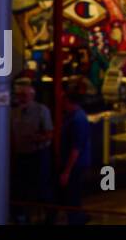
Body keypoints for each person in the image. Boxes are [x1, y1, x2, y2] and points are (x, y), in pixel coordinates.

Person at [10, 79, 52, 223]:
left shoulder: (41, 111)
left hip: (38, 154)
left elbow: (49, 133)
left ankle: (48, 215)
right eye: (18, 95)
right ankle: (22, 216)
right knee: (20, 187)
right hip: (21, 155)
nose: (20, 98)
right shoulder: (14, 112)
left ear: (31, 95)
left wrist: (37, 138)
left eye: (23, 95)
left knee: (40, 186)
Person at [57, 87, 92, 224]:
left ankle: (76, 219)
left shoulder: (77, 120)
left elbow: (75, 148)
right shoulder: (72, 117)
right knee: (71, 193)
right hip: (73, 163)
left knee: (73, 193)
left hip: (76, 164)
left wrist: (67, 171)